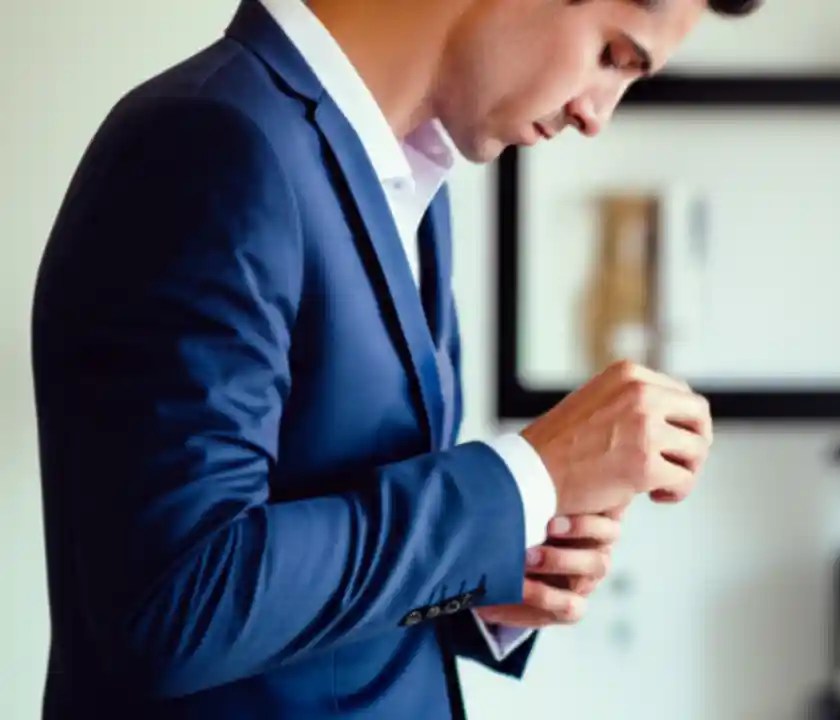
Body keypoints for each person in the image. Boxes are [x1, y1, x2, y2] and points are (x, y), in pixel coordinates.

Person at [29, 0, 760, 717]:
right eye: (613, 55)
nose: (597, 115)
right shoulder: (209, 140)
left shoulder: (412, 183)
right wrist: (528, 479)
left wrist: (483, 570)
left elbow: (308, 555)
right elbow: (174, 605)